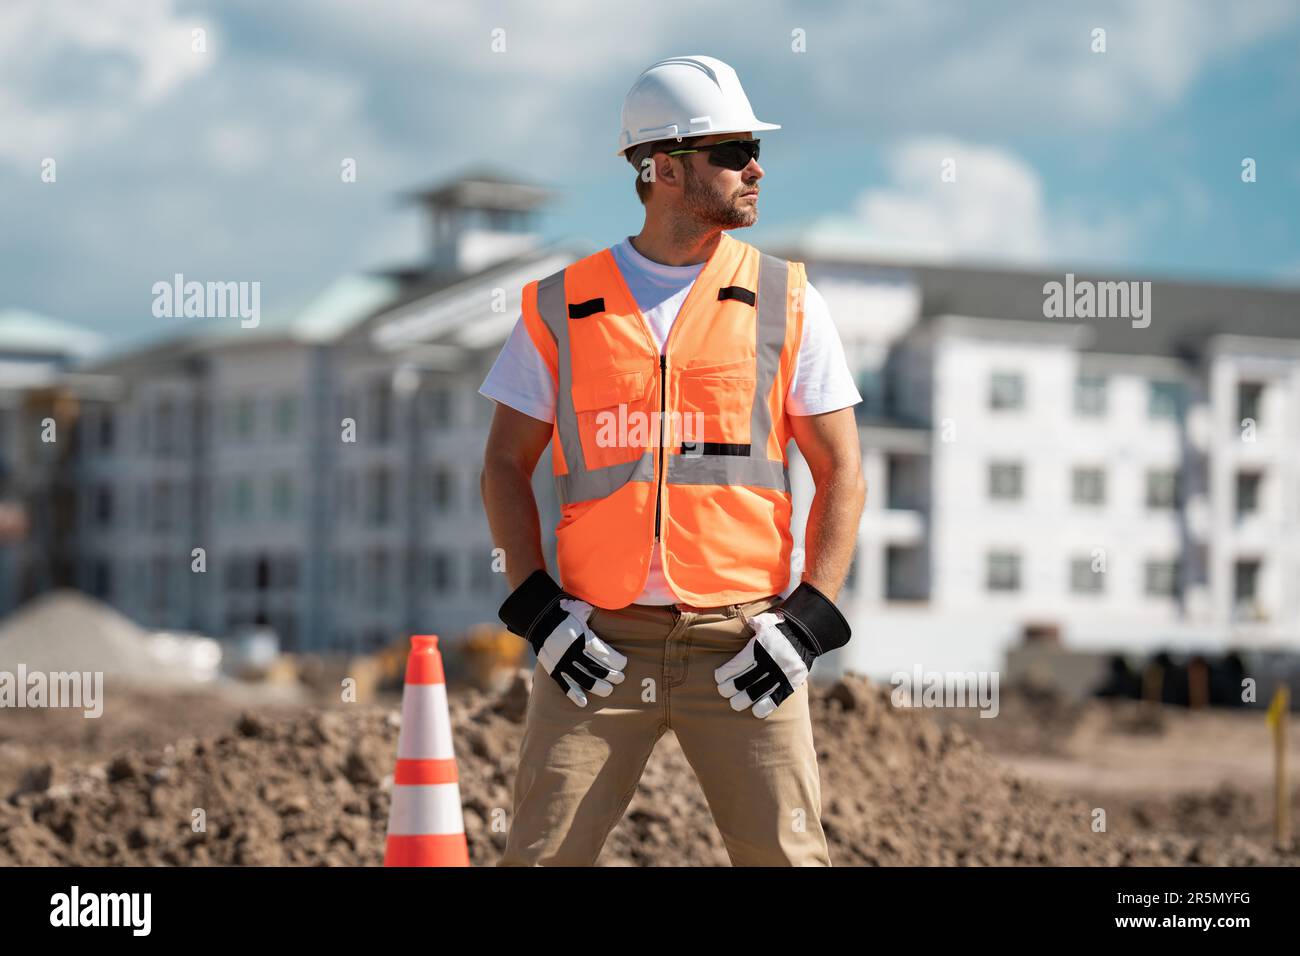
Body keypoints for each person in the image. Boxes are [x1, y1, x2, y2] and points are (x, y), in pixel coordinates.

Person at [479, 54, 866, 866]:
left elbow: (842, 472)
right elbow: (505, 465)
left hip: (744, 642)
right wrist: (537, 612)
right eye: (733, 151)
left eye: (755, 149)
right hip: (595, 644)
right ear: (661, 166)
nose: (756, 168)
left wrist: (808, 623)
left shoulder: (789, 300)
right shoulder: (561, 304)